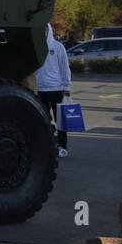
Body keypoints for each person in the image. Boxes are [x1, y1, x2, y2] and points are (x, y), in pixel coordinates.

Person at [36, 23, 72, 157]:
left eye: (45, 29)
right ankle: (47, 145)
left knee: (60, 121)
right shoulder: (36, 47)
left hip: (56, 90)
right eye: (41, 30)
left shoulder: (57, 47)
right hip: (40, 90)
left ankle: (63, 147)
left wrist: (67, 86)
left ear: (49, 30)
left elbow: (65, 67)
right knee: (43, 121)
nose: (43, 32)